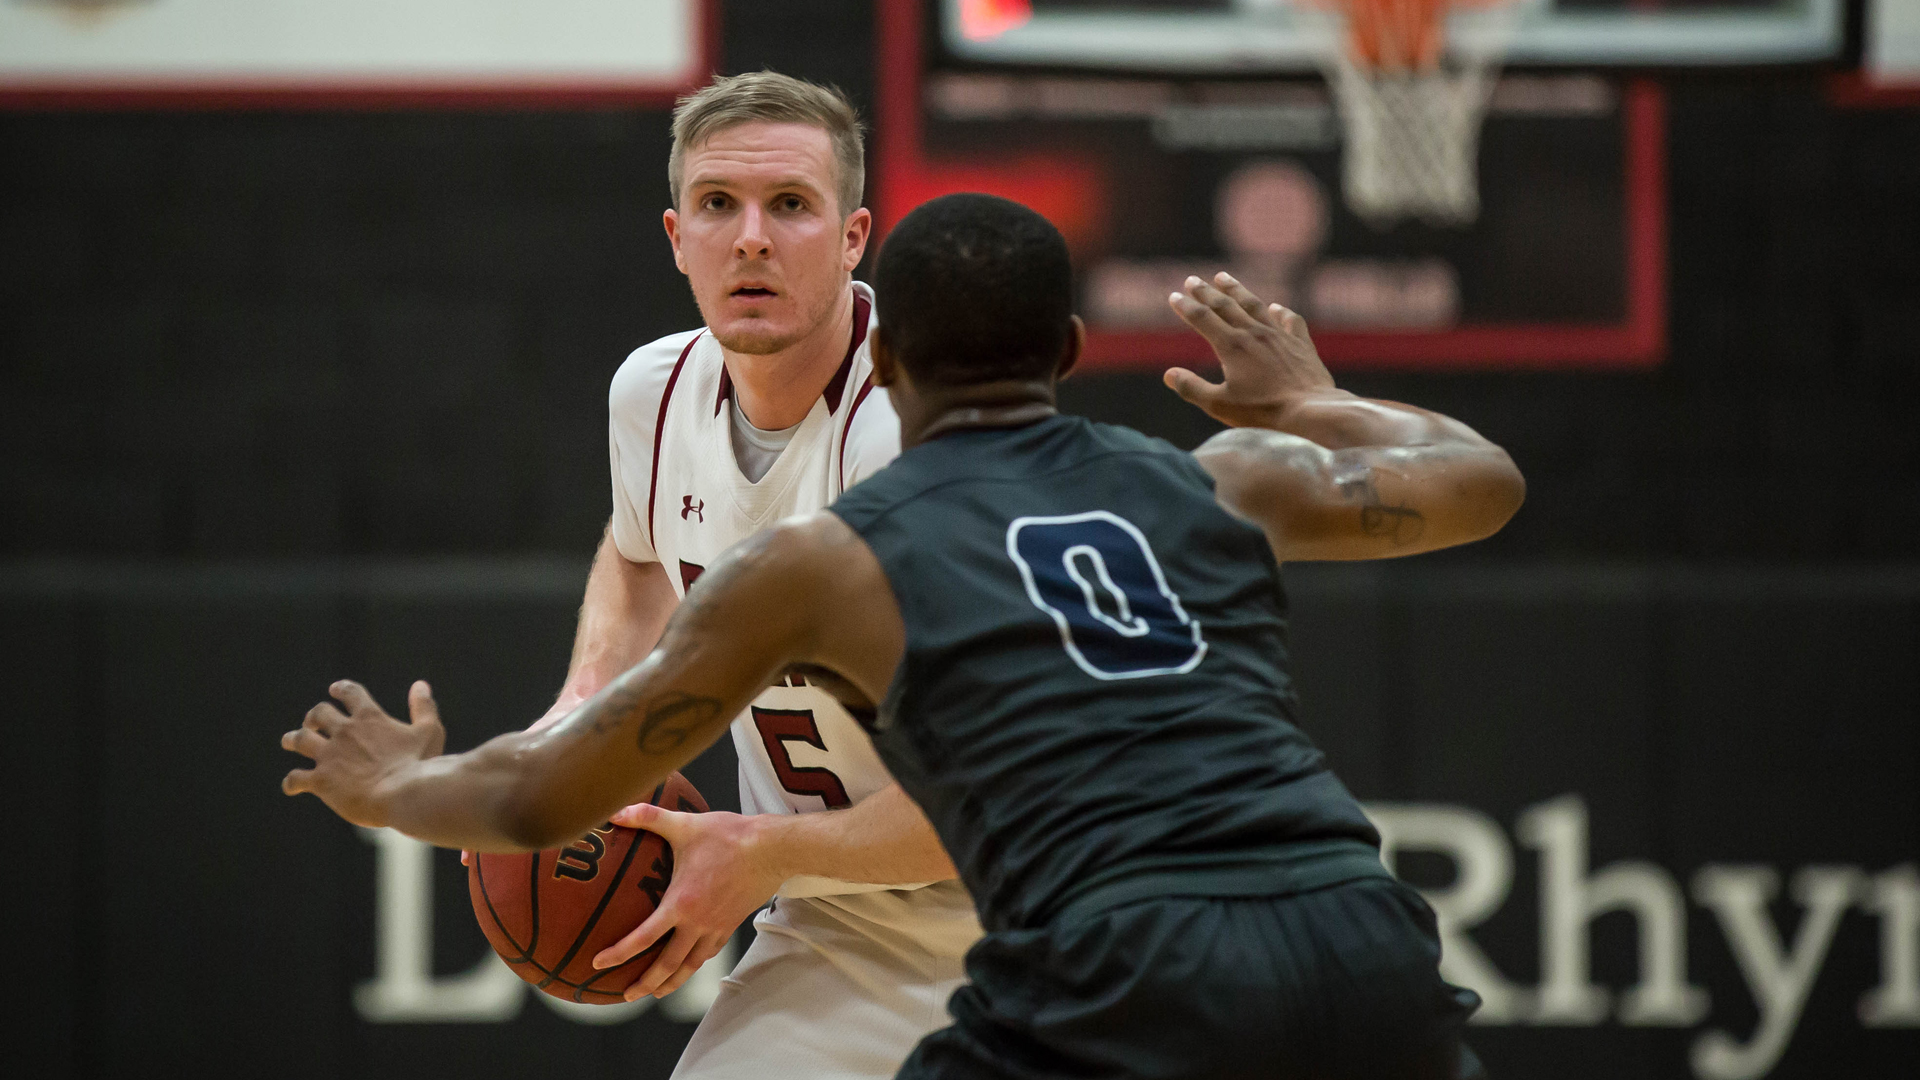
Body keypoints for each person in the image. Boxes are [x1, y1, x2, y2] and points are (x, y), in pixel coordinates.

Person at [283, 194, 1526, 1078]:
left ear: (881, 354)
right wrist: (1315, 397)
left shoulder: (830, 563)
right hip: (1359, 936)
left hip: (1121, 962)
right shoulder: (1225, 480)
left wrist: (395, 785)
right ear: (1074, 354)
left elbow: (545, 800)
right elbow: (1478, 478)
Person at [506, 71, 979, 1078]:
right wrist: (578, 716)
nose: (751, 237)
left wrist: (759, 855)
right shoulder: (652, 391)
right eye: (720, 205)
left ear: (855, 241)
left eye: (791, 206)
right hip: (847, 924)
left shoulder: (916, 437)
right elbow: (635, 556)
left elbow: (983, 806)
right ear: (678, 238)